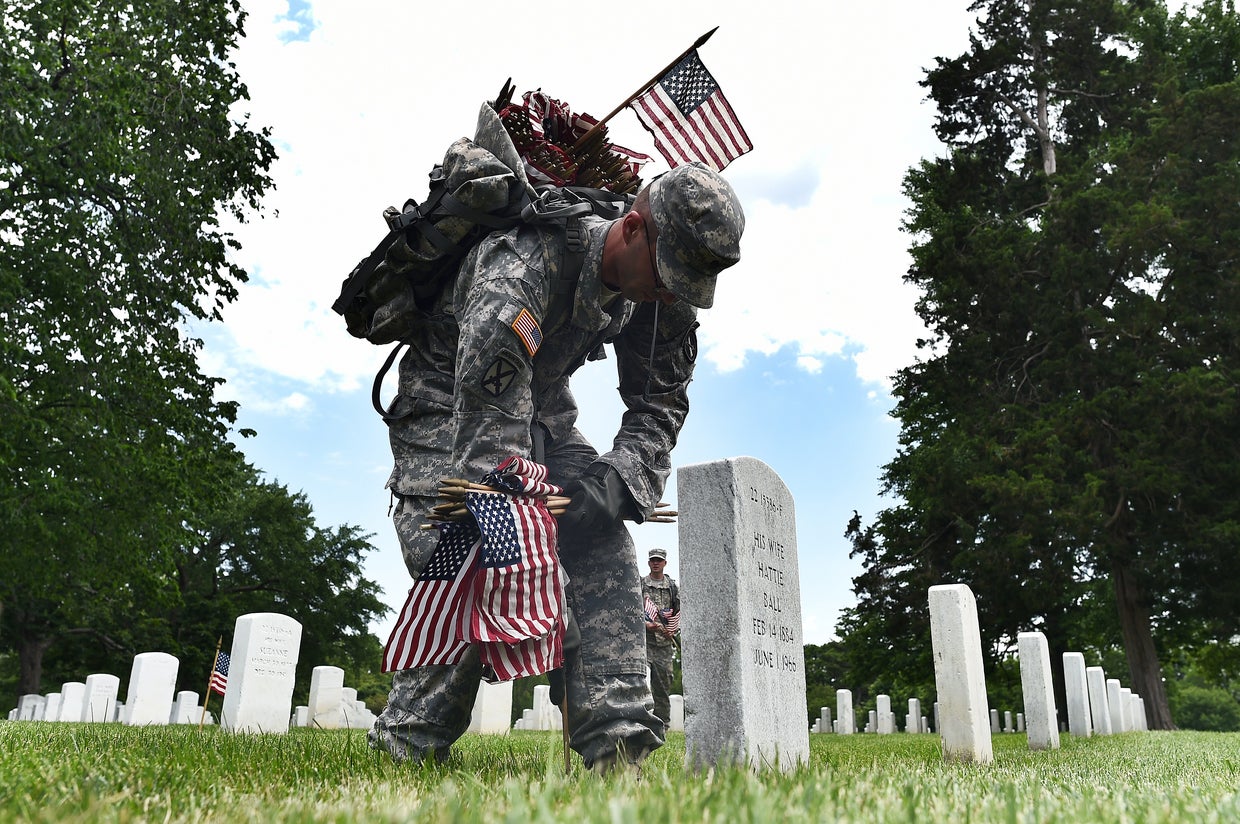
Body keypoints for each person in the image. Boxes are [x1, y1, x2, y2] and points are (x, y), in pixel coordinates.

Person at [368, 106, 745, 773]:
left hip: (544, 414)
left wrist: (617, 480)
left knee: (602, 544)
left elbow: (660, 401)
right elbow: (488, 445)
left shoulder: (662, 283)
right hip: (446, 418)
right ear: (631, 229)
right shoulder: (519, 272)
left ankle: (619, 749)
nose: (668, 295)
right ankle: (407, 741)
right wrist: (542, 563)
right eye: (662, 277)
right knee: (485, 557)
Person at [641, 547, 680, 729]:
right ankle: (641, 722)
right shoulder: (641, 584)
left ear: (665, 563)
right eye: (653, 560)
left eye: (659, 560)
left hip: (664, 646)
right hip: (644, 643)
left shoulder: (672, 587)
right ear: (649, 563)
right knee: (641, 682)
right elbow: (632, 610)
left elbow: (679, 611)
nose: (656, 563)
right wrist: (645, 624)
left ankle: (663, 725)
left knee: (662, 687)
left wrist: (672, 629)